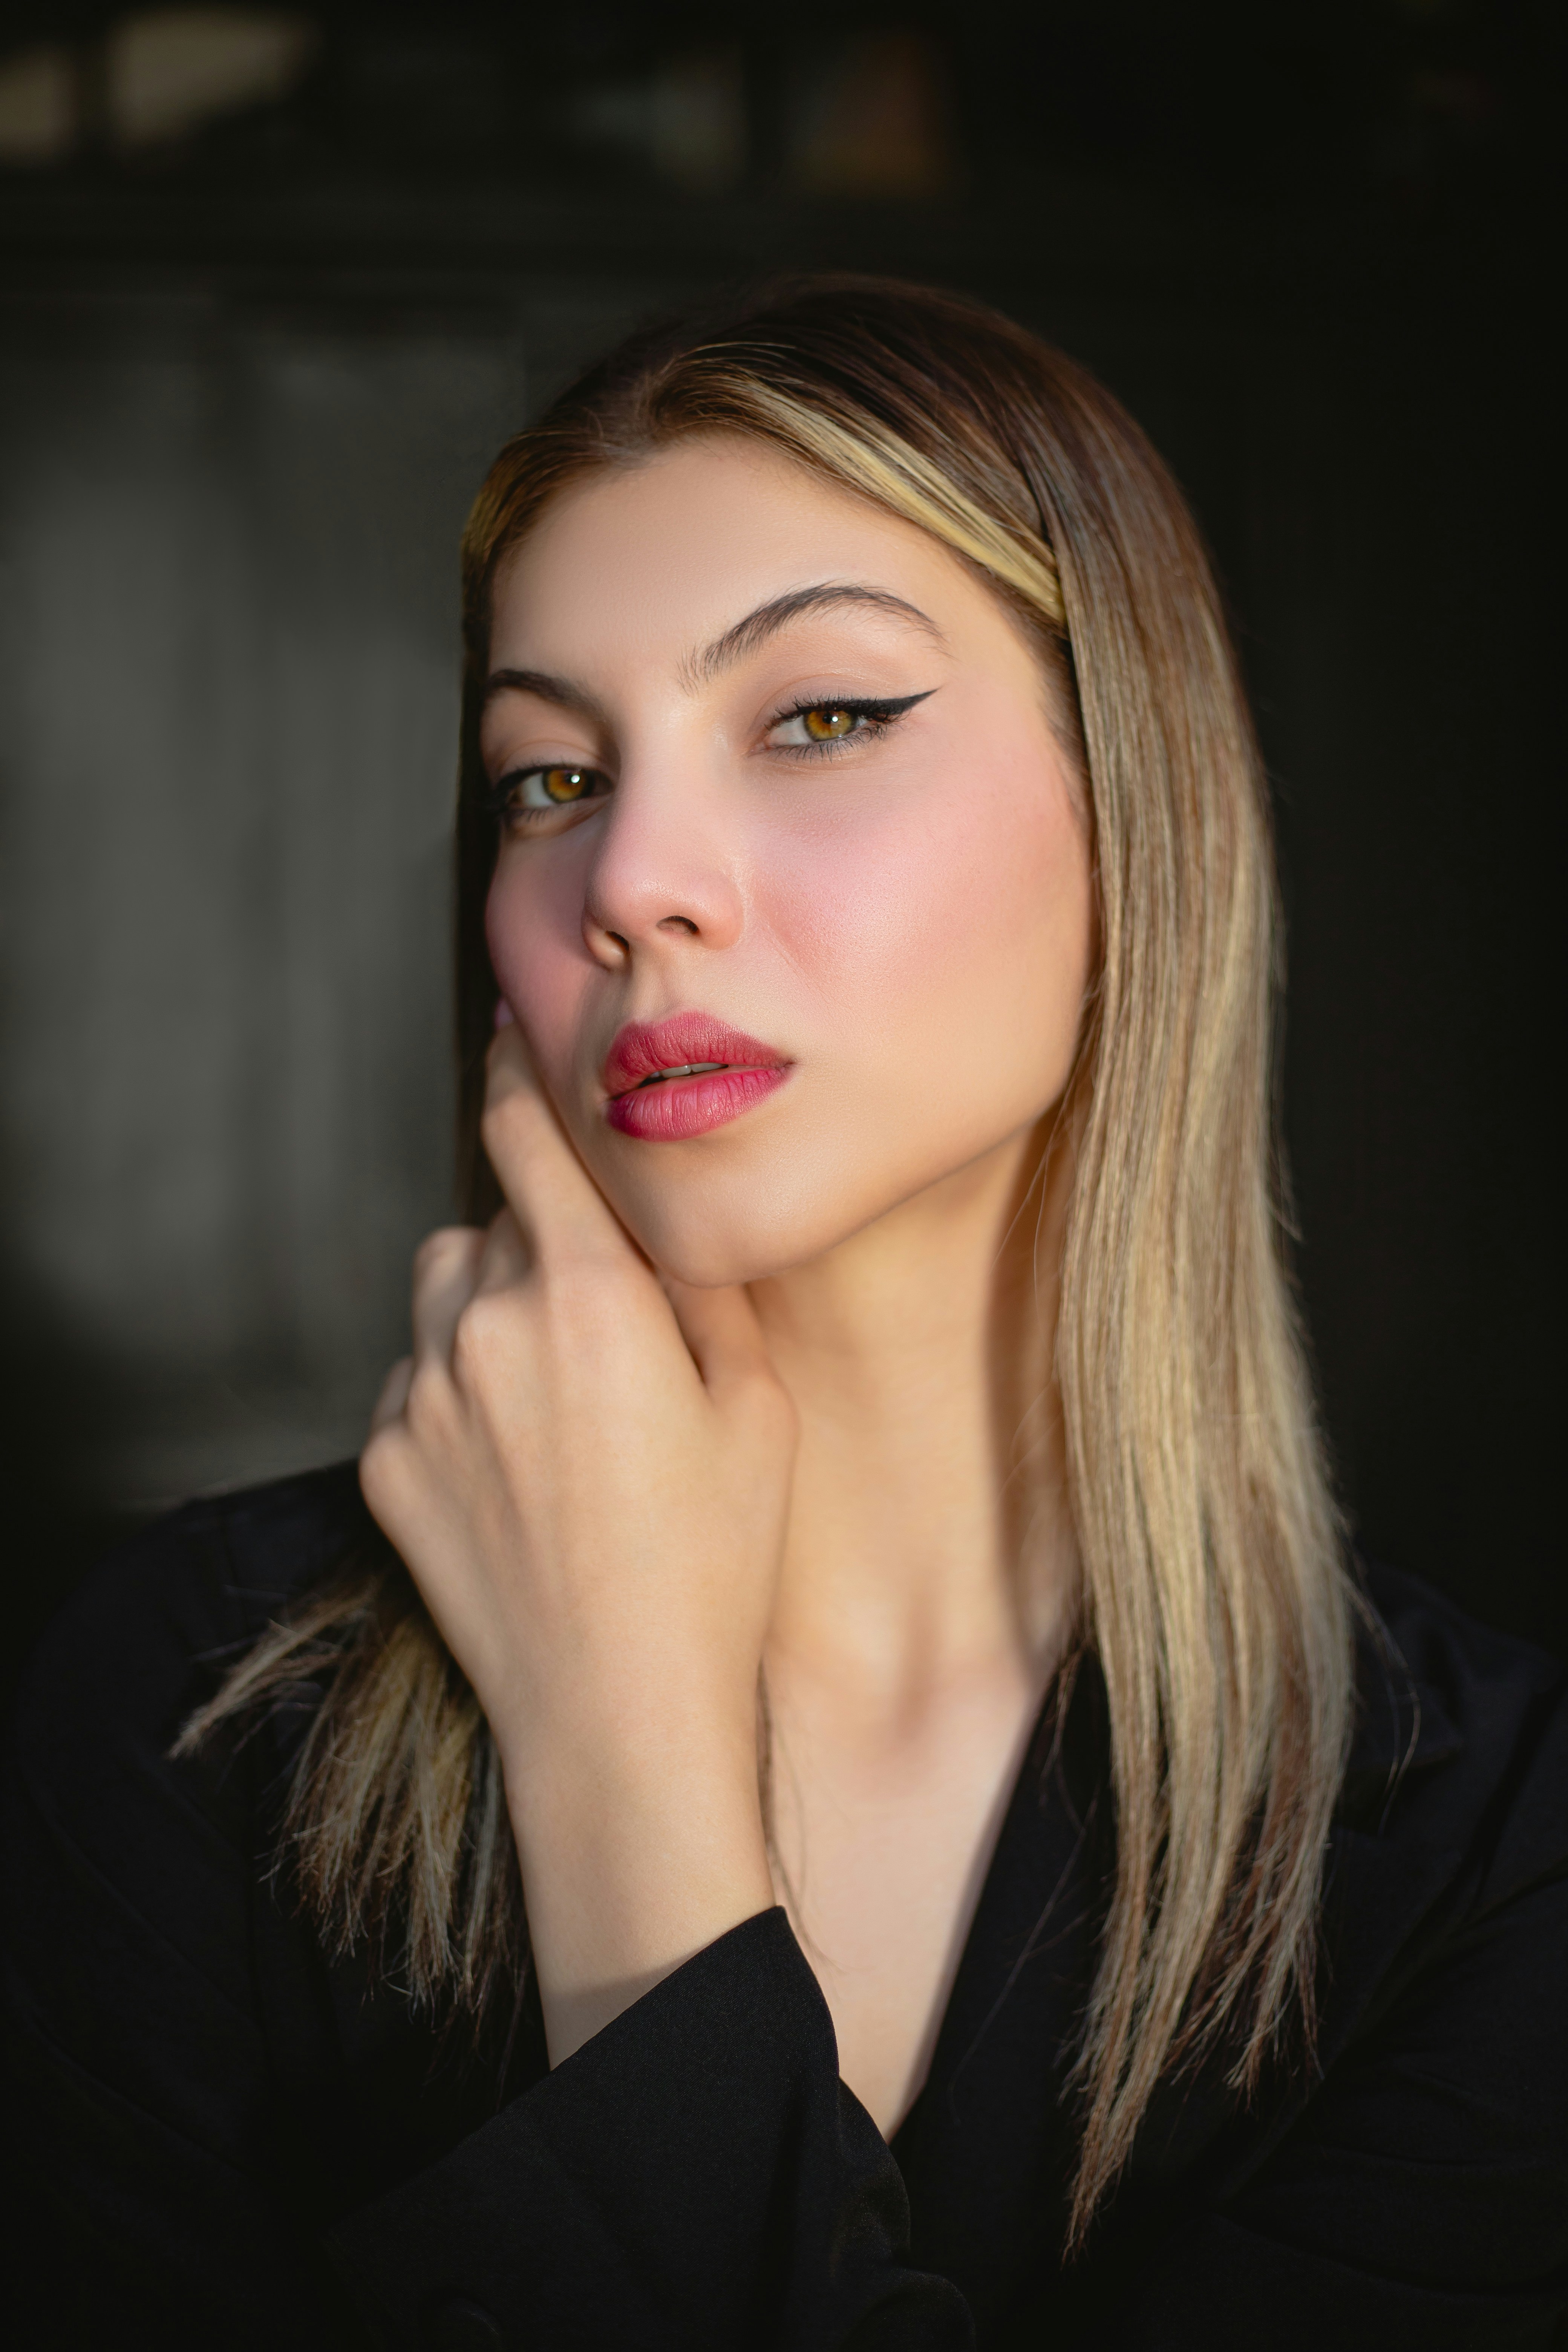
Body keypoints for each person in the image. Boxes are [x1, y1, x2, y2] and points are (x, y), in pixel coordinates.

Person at [4, 277, 1564, 2352]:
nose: (630, 879)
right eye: (551, 777)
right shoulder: (184, 1716)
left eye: (819, 718)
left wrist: (624, 1786)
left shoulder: (1491, 1860)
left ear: (1142, 809)